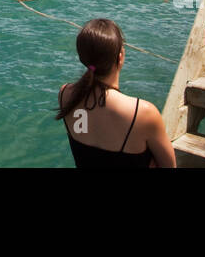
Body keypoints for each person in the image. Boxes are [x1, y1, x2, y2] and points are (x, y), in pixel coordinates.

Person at [54, 18, 176, 168]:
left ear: (82, 58)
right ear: (120, 57)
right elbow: (169, 165)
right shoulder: (143, 113)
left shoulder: (65, 94)